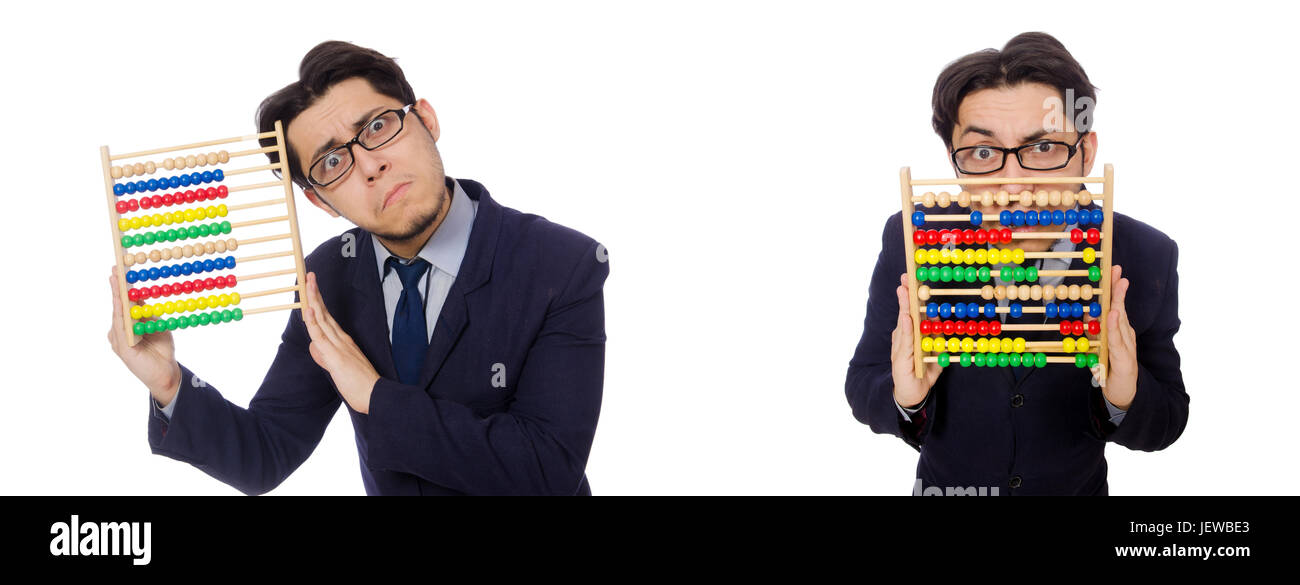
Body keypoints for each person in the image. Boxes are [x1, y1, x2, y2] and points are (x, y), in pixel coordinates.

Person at [107, 41, 610, 495]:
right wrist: (169, 384)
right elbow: (266, 452)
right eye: (331, 163)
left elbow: (546, 468)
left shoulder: (563, 265)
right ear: (319, 201)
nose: (370, 165)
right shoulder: (329, 278)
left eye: (377, 126)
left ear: (427, 120)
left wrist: (374, 396)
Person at [844, 32, 1187, 495]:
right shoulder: (914, 238)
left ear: (1085, 152)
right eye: (983, 153)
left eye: (1043, 148)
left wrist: (1125, 393)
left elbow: (1167, 419)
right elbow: (863, 382)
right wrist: (906, 399)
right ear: (954, 160)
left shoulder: (1145, 255)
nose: (1013, 183)